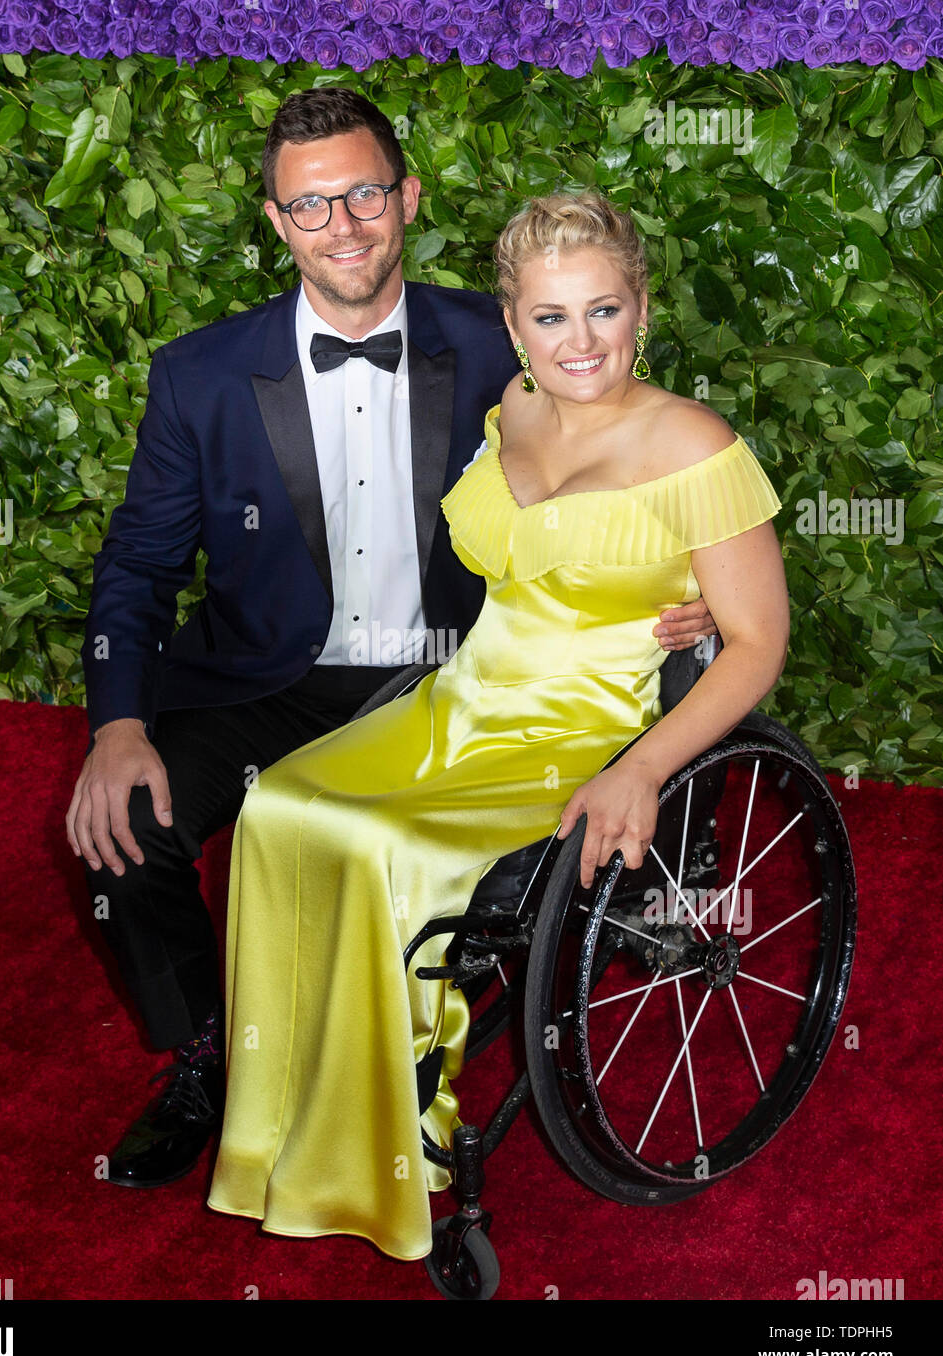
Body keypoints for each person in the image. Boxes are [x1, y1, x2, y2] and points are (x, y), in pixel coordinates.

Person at [66, 89, 716, 1190]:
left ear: (406, 196)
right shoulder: (199, 375)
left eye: (366, 192)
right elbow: (139, 565)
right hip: (265, 678)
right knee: (122, 820)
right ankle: (212, 1059)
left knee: (349, 830)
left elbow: (634, 440)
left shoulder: (501, 336)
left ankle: (381, 1054)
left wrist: (681, 577)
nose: (345, 224)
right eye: (312, 204)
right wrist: (118, 722)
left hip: (455, 673)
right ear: (275, 222)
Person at [205, 191, 790, 1261]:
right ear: (513, 326)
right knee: (280, 803)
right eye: (553, 317)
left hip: (584, 727)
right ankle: (287, 1121)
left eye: (603, 311)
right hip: (461, 699)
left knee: (389, 845)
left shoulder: (692, 443)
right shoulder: (510, 412)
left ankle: (389, 1145)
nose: (581, 343)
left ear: (642, 311)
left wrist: (644, 766)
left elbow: (758, 643)